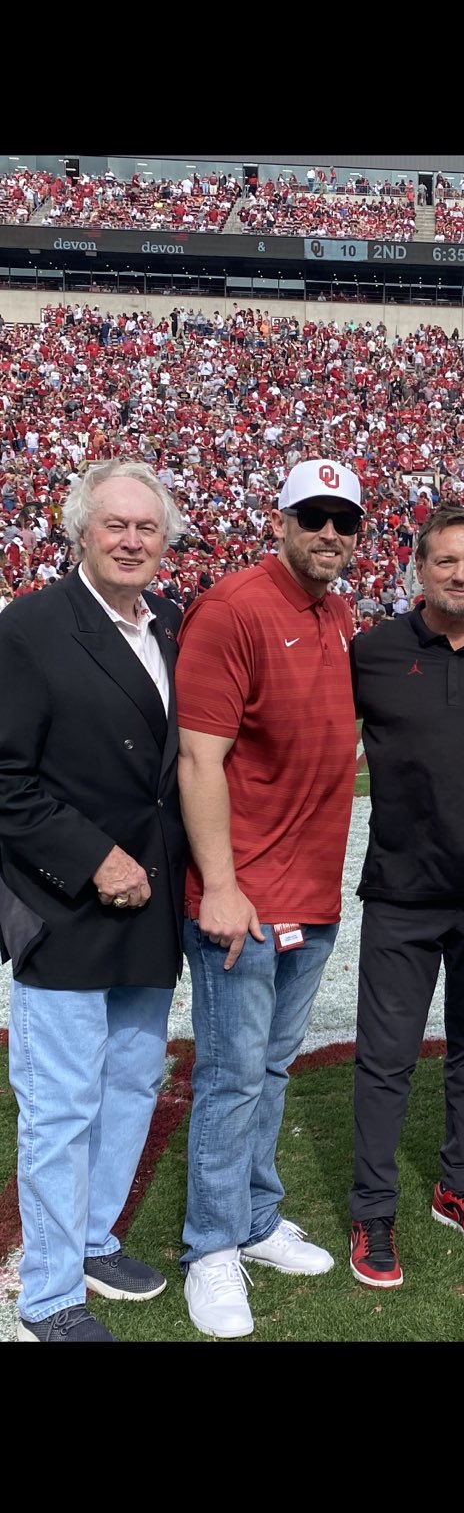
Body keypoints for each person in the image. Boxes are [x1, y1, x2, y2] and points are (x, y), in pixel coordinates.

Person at [174, 458, 362, 1337]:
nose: (330, 532)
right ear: (279, 519)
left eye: (345, 519)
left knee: (270, 1071)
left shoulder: (336, 610)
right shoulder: (234, 607)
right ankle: (210, 1247)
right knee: (229, 1076)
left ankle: (252, 1219)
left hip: (311, 891)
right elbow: (199, 758)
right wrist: (219, 885)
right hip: (242, 895)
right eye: (314, 516)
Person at [0, 460, 187, 1342]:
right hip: (64, 900)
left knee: (130, 1083)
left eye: (147, 529)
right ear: (80, 531)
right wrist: (93, 857)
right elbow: (4, 778)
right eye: (115, 525)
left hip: (151, 897)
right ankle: (46, 1295)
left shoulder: (174, 625)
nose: (131, 541)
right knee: (62, 1100)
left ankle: (91, 1235)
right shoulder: (31, 626)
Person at [348, 503, 464, 1287]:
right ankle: (373, 1209)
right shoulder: (373, 650)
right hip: (401, 889)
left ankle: (458, 1184)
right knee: (386, 1060)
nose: (460, 575)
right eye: (445, 561)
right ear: (418, 568)